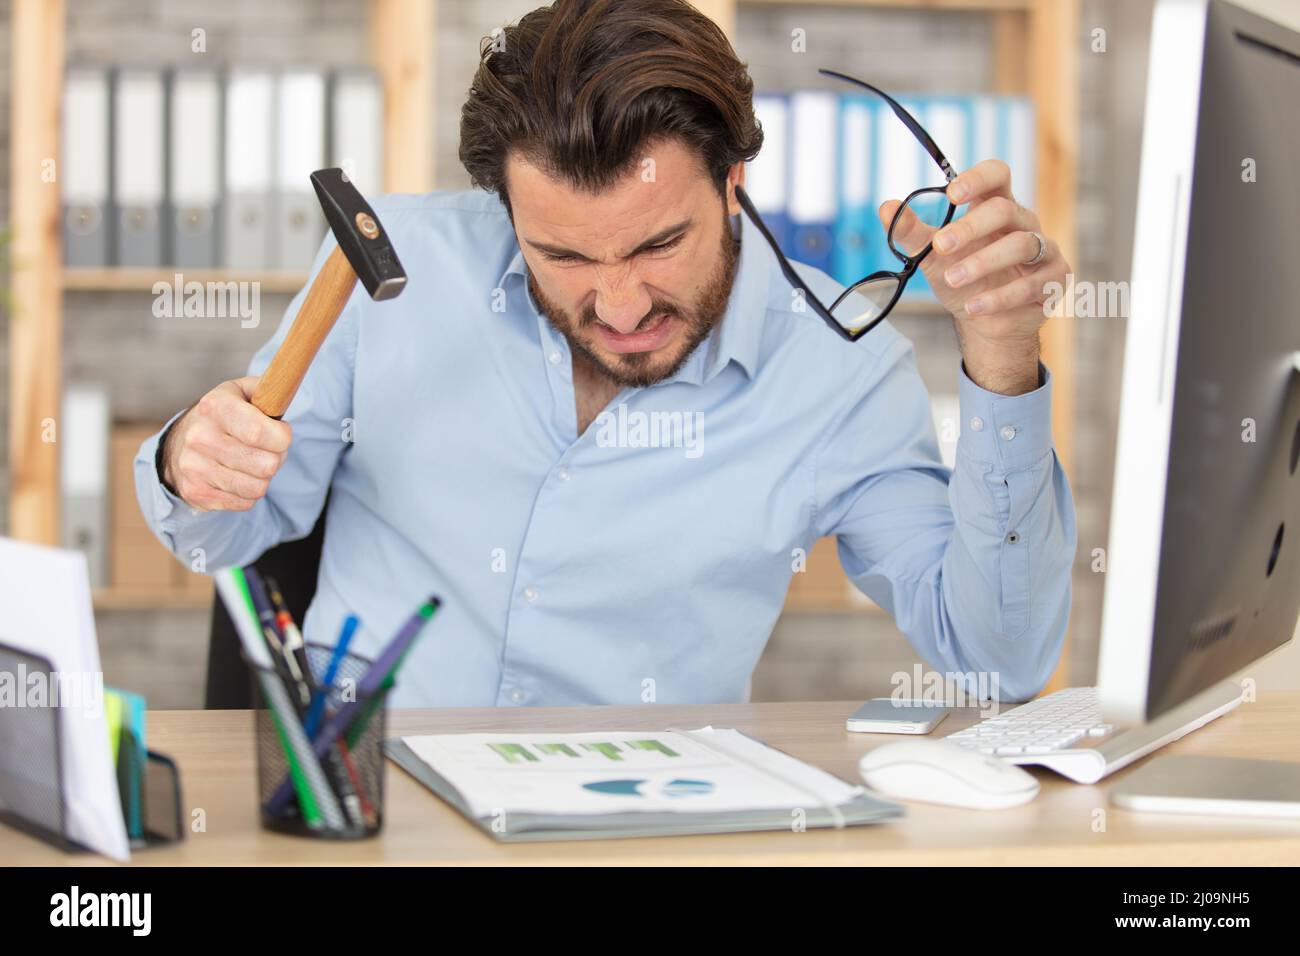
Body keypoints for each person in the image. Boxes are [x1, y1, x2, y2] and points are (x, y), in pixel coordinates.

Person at [136, 0, 1076, 708]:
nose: (620, 305)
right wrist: (193, 459)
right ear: (507, 212)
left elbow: (1000, 655)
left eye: (659, 245)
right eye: (565, 256)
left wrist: (1001, 352)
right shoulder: (397, 268)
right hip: (375, 816)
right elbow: (222, 537)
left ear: (735, 177)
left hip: (643, 828)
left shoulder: (838, 369)